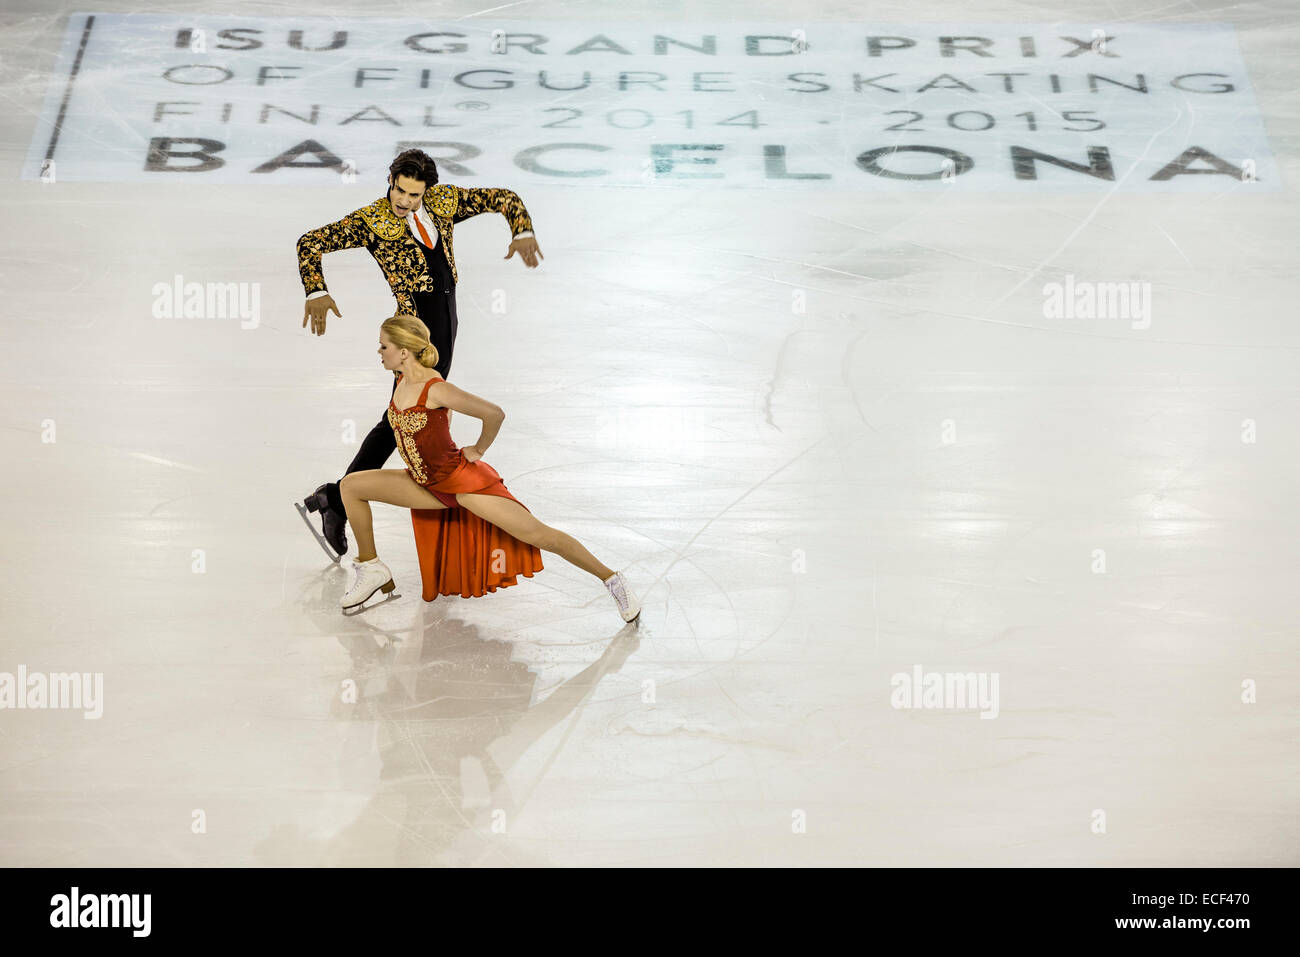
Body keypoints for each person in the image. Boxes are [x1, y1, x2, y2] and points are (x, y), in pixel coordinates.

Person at [296, 148, 543, 560]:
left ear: (427, 190)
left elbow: (504, 196)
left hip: (446, 324)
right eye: (399, 190)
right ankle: (337, 499)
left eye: (414, 194)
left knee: (402, 419)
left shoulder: (444, 202)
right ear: (390, 181)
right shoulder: (370, 221)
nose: (405, 201)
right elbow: (310, 243)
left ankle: (336, 497)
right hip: (414, 334)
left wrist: (521, 230)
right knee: (399, 420)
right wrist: (316, 290)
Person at [338, 314, 641, 624]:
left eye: (383, 346)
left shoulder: (435, 388)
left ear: (403, 351)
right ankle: (371, 566)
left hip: (464, 484)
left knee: (539, 534)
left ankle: (612, 579)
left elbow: (494, 414)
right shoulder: (402, 381)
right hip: (423, 484)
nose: (379, 352)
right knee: (351, 486)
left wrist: (478, 449)